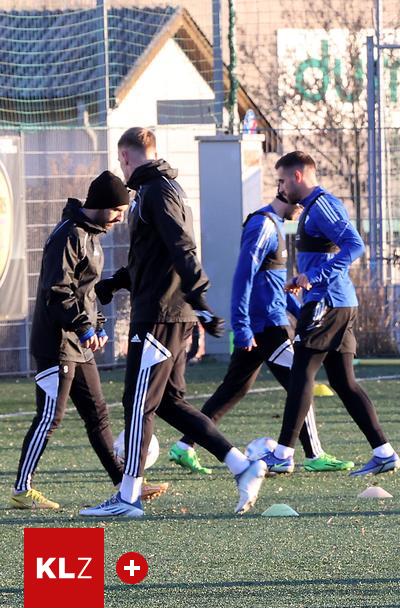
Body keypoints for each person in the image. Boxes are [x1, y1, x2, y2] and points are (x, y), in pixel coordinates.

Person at [84, 127, 266, 517]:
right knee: (166, 403)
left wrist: (199, 300)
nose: (121, 167)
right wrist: (113, 284)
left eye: (121, 160)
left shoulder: (158, 191)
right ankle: (242, 465)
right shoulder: (151, 192)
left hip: (161, 315)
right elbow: (151, 258)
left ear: (128, 157)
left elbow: (182, 246)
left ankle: (128, 497)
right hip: (166, 311)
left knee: (137, 403)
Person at [12, 172, 168, 509]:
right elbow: (57, 292)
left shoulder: (90, 235)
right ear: (101, 206)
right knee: (50, 416)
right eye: (117, 211)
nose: (119, 218)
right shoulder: (69, 235)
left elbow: (85, 293)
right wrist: (83, 327)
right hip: (57, 343)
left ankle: (126, 485)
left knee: (98, 414)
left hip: (78, 343)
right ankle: (22, 489)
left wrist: (94, 326)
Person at [167, 193, 353, 474]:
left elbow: (272, 282)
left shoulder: (275, 224)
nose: (302, 215)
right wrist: (241, 325)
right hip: (266, 326)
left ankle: (184, 447)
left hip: (264, 323)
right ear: (292, 199)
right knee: (300, 382)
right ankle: (314, 453)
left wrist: (298, 308)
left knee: (233, 389)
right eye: (302, 208)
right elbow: (244, 276)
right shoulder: (262, 225)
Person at [259, 151, 399, 475]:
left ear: (297, 177)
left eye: (281, 180)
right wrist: (303, 278)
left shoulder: (321, 205)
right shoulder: (311, 209)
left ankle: (282, 454)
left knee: (301, 374)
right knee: (343, 382)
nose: (280, 188)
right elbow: (324, 256)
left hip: (329, 303)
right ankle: (384, 451)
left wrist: (316, 277)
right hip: (333, 301)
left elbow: (354, 245)